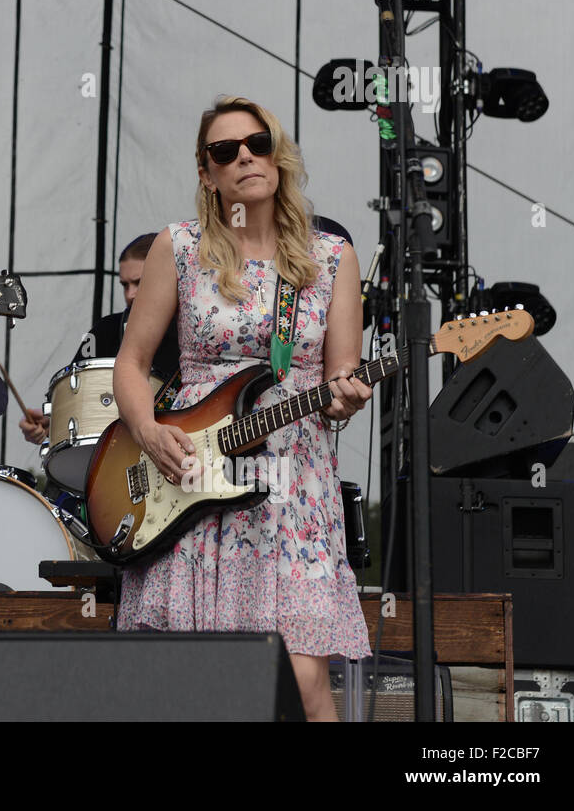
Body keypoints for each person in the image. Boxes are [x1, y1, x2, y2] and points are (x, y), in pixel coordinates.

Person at [112, 95, 371, 722]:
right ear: (207, 173)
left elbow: (340, 376)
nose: (244, 158)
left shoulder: (330, 257)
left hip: (295, 494)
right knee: (193, 689)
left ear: (277, 155)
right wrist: (147, 430)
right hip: (196, 482)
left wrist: (345, 398)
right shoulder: (179, 249)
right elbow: (131, 363)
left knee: (305, 685)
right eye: (224, 151)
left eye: (256, 143)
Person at [18, 233, 179, 445]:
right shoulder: (106, 331)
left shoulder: (195, 333)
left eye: (139, 282)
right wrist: (51, 423)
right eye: (124, 285)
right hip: (113, 456)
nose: (130, 294)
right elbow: (74, 395)